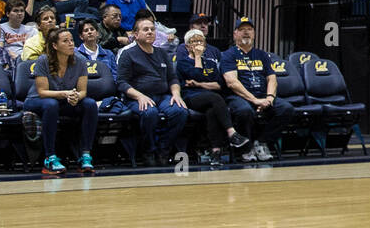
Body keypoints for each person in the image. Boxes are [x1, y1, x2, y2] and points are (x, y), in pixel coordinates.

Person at [24, 26, 99, 175]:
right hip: (37, 100)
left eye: (72, 40)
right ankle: (50, 157)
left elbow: (83, 91)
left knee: (90, 104)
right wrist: (65, 94)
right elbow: (42, 92)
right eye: (66, 41)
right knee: (51, 105)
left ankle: (84, 155)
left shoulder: (81, 60)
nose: (71, 43)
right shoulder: (43, 60)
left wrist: (76, 97)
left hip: (64, 100)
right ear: (55, 46)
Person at [116, 14, 189, 165]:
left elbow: (172, 78)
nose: (150, 32)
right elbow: (122, 83)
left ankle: (163, 149)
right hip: (137, 97)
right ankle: (148, 150)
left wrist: (176, 94)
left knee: (180, 111)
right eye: (145, 29)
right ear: (136, 35)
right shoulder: (128, 54)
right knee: (150, 113)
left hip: (162, 96)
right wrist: (139, 96)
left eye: (152, 29)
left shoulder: (162, 53)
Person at [176, 27, 250, 160]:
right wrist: (197, 58)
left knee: (212, 110)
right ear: (187, 46)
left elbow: (218, 84)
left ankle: (216, 151)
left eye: (201, 41)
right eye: (194, 42)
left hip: (210, 97)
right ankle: (232, 133)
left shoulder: (210, 63)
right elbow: (196, 74)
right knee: (215, 98)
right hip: (190, 97)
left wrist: (198, 84)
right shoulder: (182, 62)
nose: (198, 44)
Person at [220, 18, 288, 162]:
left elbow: (272, 78)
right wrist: (255, 100)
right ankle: (246, 147)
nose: (246, 32)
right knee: (244, 111)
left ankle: (262, 142)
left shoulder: (262, 55)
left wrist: (269, 98)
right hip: (238, 97)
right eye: (242, 29)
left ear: (254, 34)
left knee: (286, 108)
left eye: (249, 29)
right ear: (235, 34)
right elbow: (232, 82)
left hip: (263, 96)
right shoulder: (229, 55)